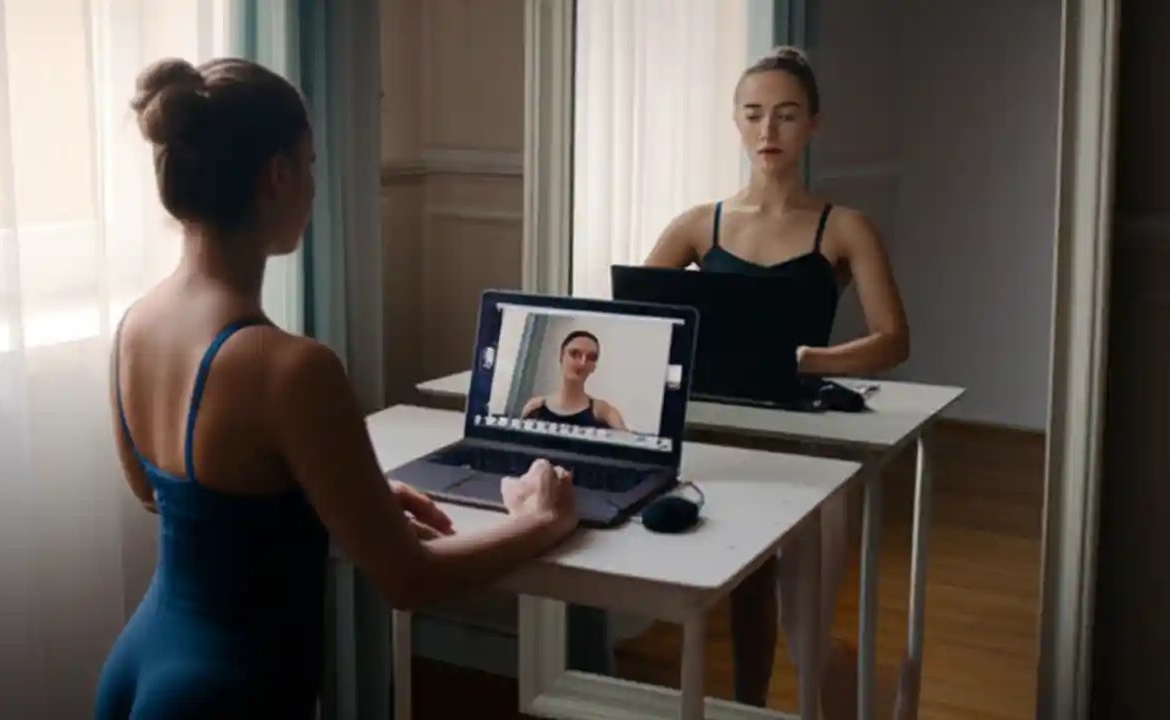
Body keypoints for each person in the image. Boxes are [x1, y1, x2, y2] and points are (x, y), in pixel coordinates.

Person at [94, 57, 578, 720]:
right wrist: (541, 521)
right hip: (229, 687)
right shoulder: (291, 368)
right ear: (278, 175)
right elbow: (409, 579)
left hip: (140, 665)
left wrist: (348, 498)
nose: (315, 187)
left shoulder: (135, 325)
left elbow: (160, 491)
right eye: (312, 164)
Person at [645, 47, 910, 718]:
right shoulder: (697, 225)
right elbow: (637, 322)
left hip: (808, 440)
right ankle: (749, 707)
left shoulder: (844, 226)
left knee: (808, 621)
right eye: (754, 114)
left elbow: (893, 341)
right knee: (742, 593)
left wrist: (801, 361)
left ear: (814, 124)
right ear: (736, 122)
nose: (769, 133)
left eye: (786, 116)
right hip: (720, 433)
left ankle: (842, 704)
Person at [520, 330, 628, 430]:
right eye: (575, 354)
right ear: (561, 356)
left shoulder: (605, 413)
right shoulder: (535, 407)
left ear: (594, 366)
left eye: (591, 357)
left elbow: (628, 448)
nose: (582, 363)